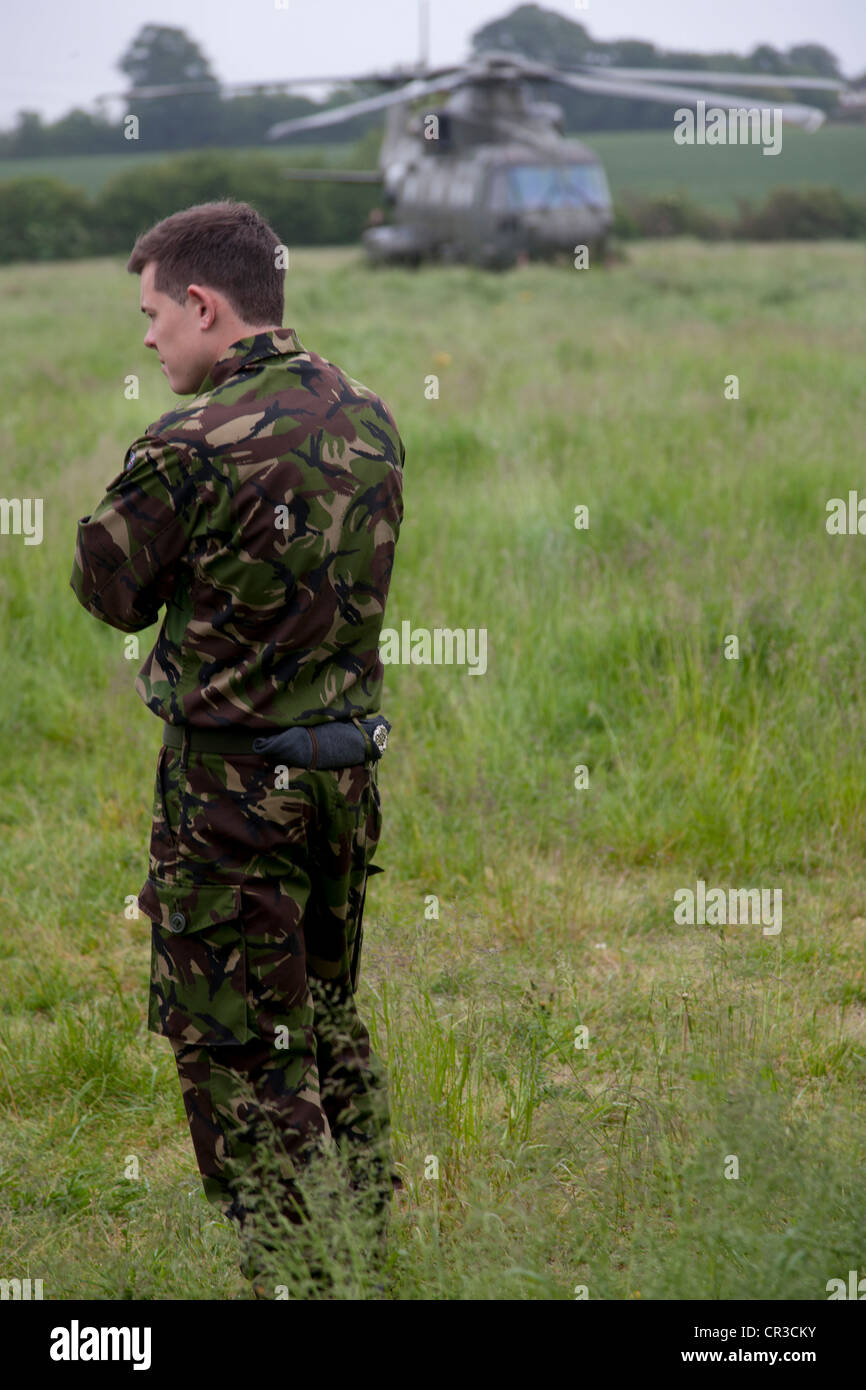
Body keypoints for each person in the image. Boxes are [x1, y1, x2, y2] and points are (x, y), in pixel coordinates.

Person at [69, 199, 405, 1295]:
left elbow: (109, 591)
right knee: (325, 1018)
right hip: (345, 778)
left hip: (231, 794)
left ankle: (299, 1277)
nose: (149, 336)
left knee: (238, 1048)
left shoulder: (186, 444)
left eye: (154, 312)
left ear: (204, 304)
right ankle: (365, 1254)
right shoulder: (369, 415)